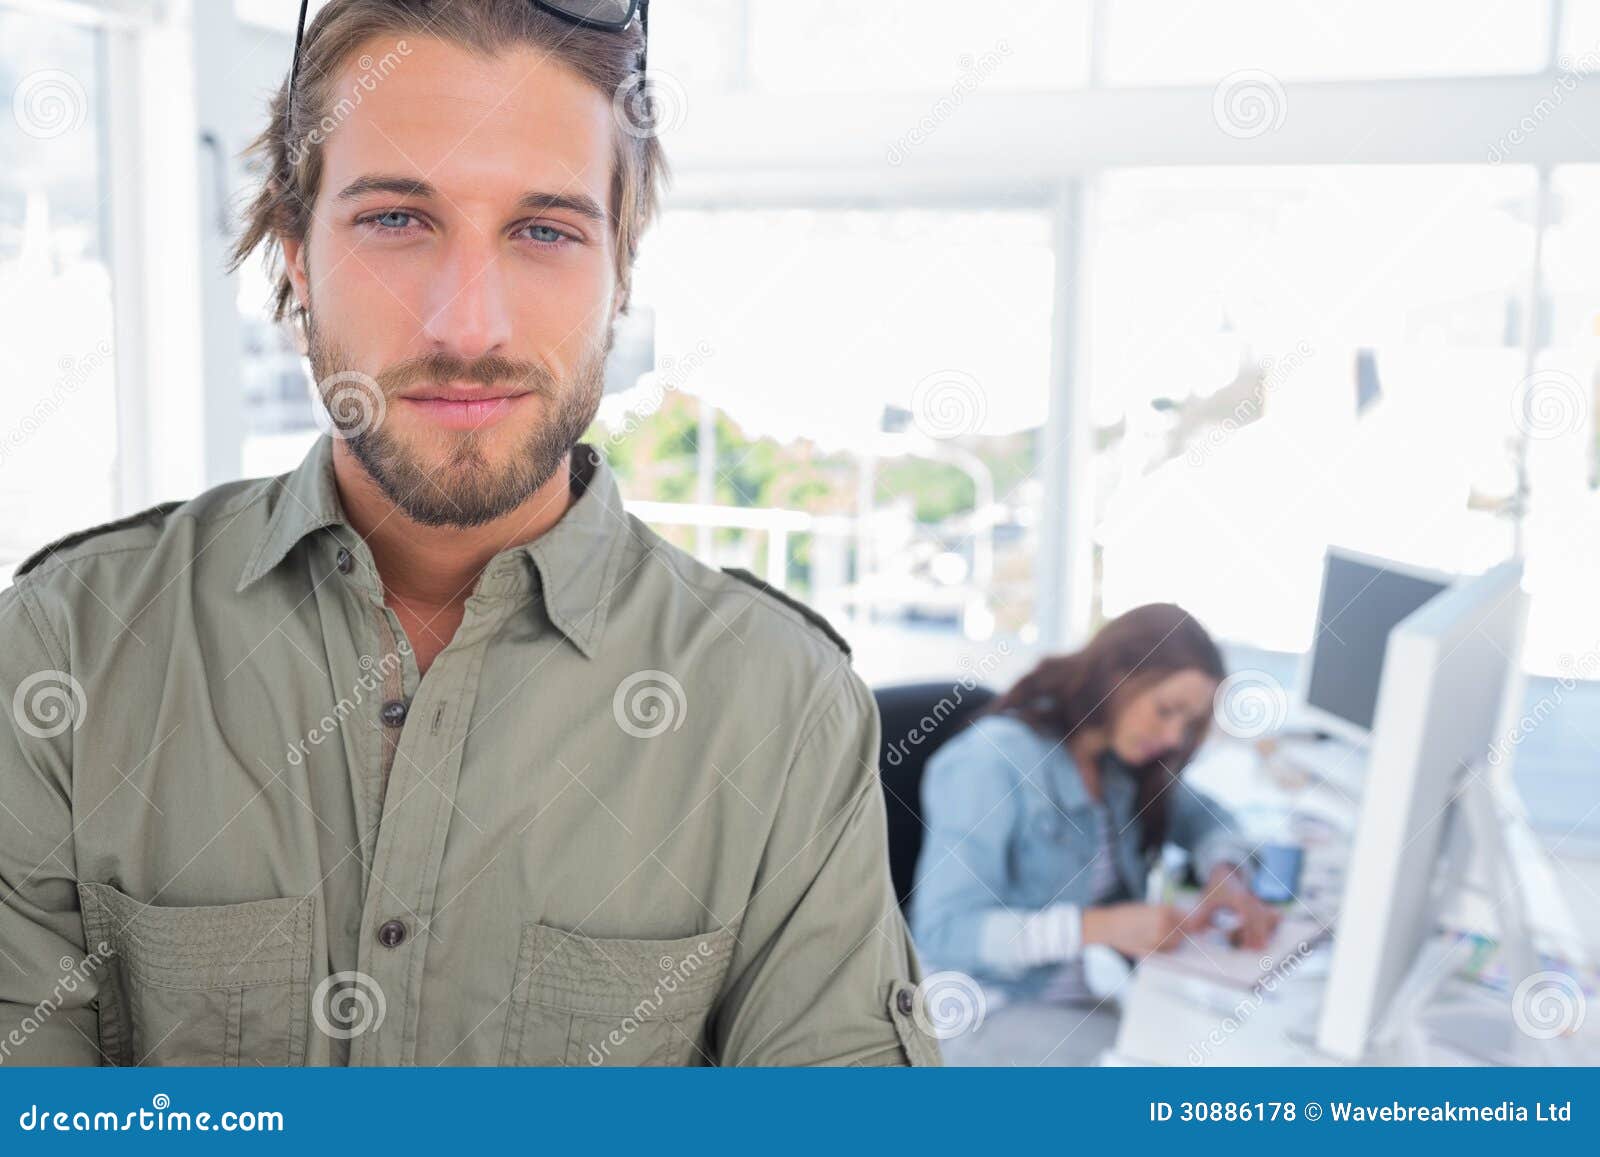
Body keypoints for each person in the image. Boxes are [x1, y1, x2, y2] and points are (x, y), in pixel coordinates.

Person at [0, 0, 938, 1067]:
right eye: (397, 218)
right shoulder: (61, 653)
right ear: (297, 254)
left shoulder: (782, 709)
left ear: (618, 273)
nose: (466, 325)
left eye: (544, 231)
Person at [908, 604, 1279, 1065]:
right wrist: (1100, 927)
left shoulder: (1119, 761)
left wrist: (1225, 872)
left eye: (1187, 724)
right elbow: (946, 931)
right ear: (1116, 676)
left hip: (1068, 997)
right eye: (1166, 711)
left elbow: (1211, 819)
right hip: (984, 1011)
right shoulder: (991, 761)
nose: (1172, 737)